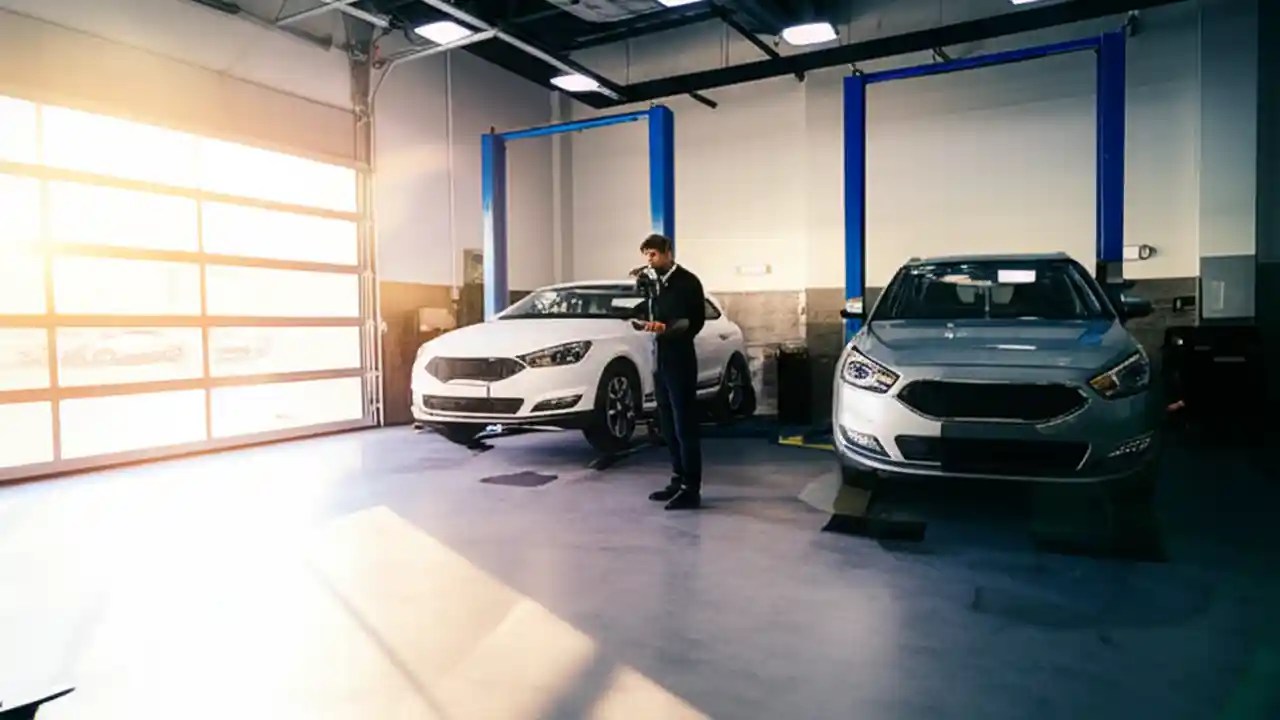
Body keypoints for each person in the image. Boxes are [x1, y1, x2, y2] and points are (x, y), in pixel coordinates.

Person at [637, 233, 706, 510]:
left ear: (668, 252)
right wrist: (642, 318)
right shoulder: (656, 284)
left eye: (653, 255)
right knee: (666, 422)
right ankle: (677, 479)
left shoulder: (688, 282)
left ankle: (692, 487)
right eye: (646, 256)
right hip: (661, 358)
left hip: (680, 358)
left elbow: (694, 321)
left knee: (684, 424)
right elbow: (650, 312)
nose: (649, 261)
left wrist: (667, 328)